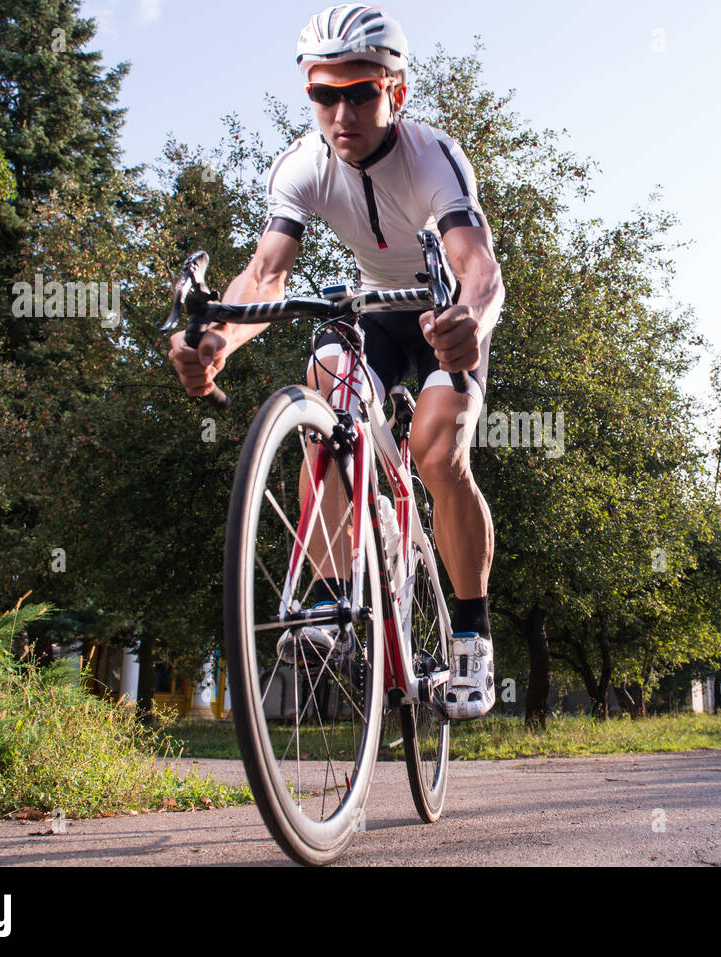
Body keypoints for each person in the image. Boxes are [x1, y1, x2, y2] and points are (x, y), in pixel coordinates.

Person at [168, 3, 503, 719]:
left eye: (360, 92)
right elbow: (265, 275)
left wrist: (470, 321)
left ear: (396, 92)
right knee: (322, 394)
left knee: (438, 453)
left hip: (441, 313)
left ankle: (472, 637)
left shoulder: (432, 156)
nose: (341, 111)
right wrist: (216, 341)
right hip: (374, 314)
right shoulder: (303, 166)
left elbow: (478, 266)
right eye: (324, 93)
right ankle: (329, 592)